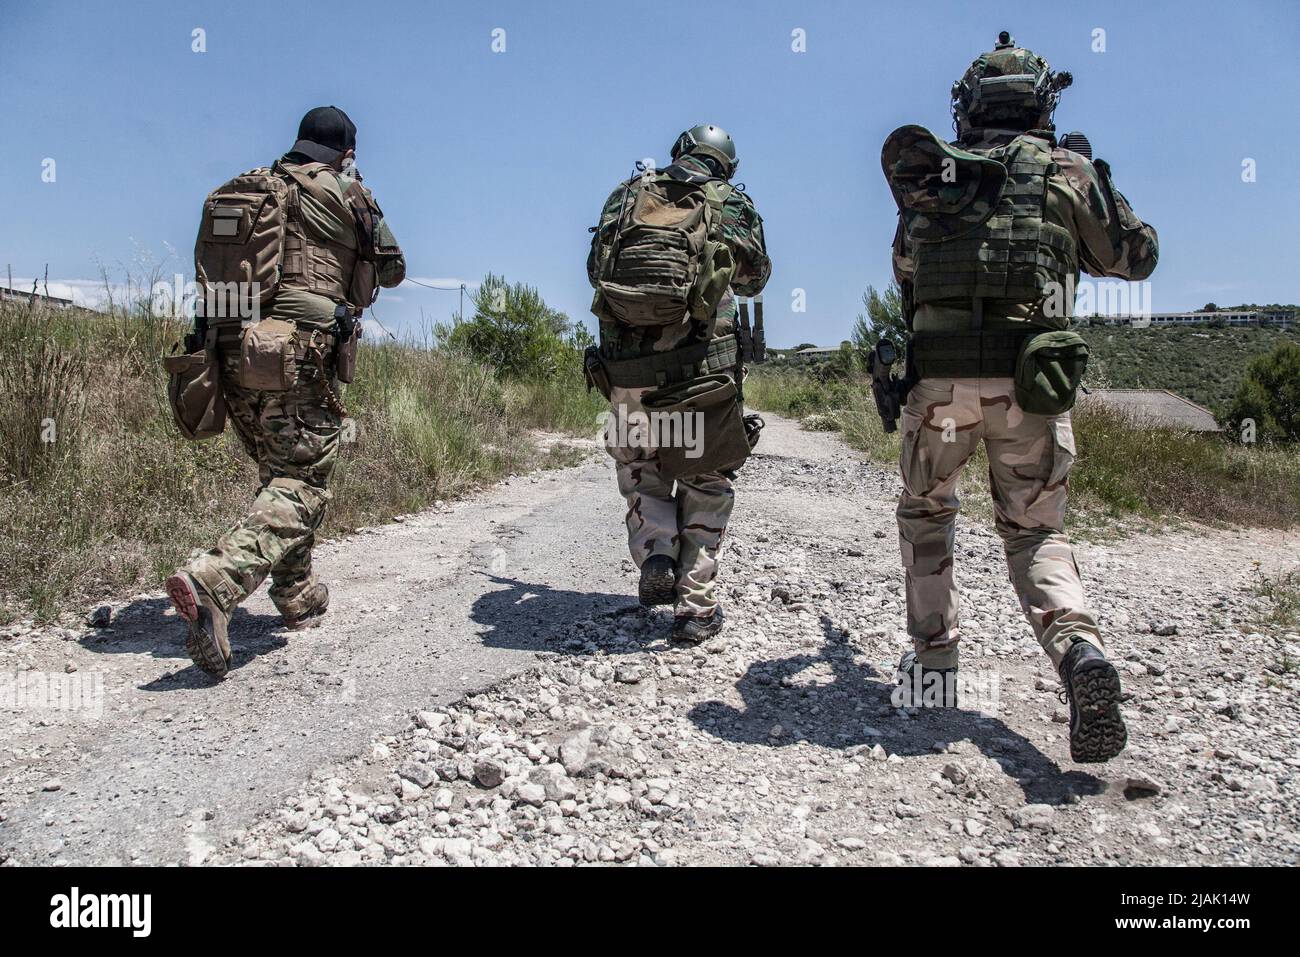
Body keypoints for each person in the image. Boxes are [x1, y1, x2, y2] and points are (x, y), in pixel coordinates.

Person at [881, 33, 1158, 761]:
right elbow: (1137, 256)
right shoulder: (1064, 170)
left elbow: (903, 272)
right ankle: (1078, 651)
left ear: (969, 108)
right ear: (1039, 103)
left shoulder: (934, 175)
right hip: (1031, 384)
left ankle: (935, 668)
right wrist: (1095, 173)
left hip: (939, 384)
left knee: (927, 511)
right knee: (1034, 531)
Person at [165, 106, 405, 678]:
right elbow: (392, 269)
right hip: (291, 356)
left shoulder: (253, 187)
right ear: (346, 153)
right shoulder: (346, 191)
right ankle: (216, 582)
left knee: (282, 474)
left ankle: (296, 593)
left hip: (225, 353)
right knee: (304, 484)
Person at [586, 125, 771, 642]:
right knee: (705, 480)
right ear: (726, 165)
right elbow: (755, 279)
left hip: (625, 376)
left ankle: (657, 552)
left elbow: (593, 269)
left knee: (642, 471)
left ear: (680, 152)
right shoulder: (730, 202)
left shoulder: (628, 195)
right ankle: (695, 609)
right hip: (698, 376)